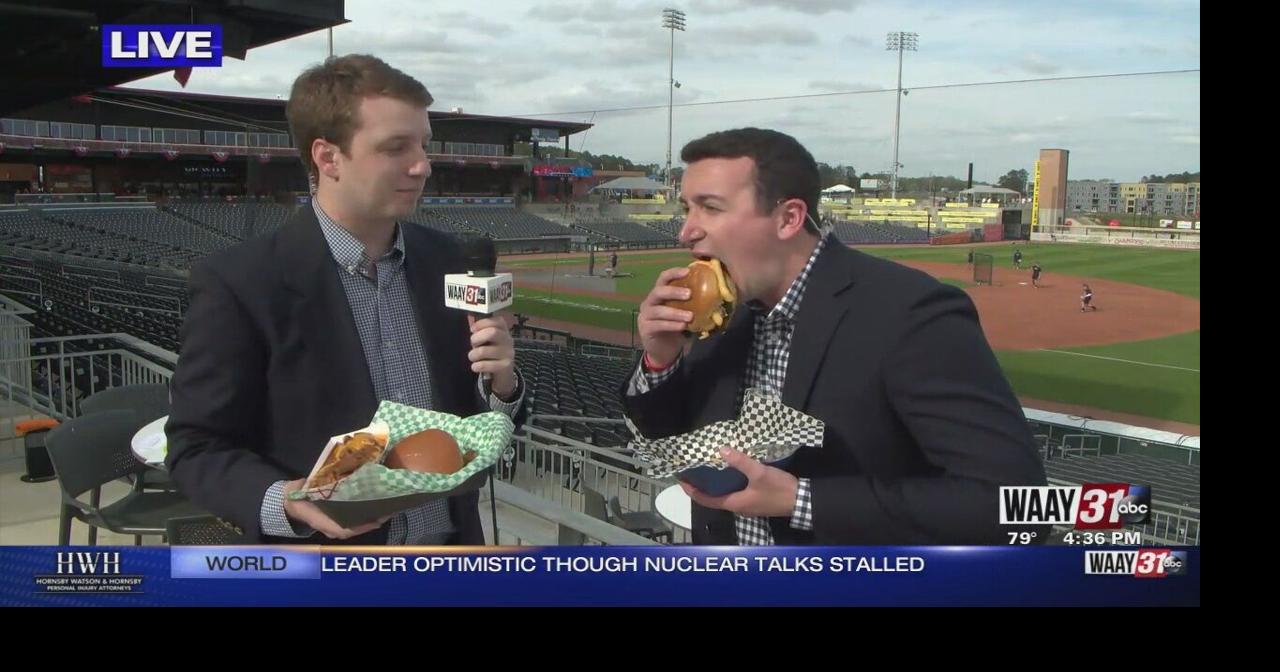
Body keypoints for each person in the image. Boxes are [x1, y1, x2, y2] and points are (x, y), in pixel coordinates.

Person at [165, 54, 525, 545]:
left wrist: (501, 385)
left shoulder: (446, 259)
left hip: (450, 554)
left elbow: (478, 423)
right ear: (328, 158)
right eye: (396, 147)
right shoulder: (240, 283)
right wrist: (283, 499)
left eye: (423, 144)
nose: (422, 166)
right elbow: (196, 447)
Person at [623, 128, 1044, 545]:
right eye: (687, 209)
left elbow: (1012, 505)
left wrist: (801, 500)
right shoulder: (718, 311)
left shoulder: (909, 313)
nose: (686, 232)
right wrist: (660, 361)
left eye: (710, 208)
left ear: (788, 218)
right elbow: (674, 440)